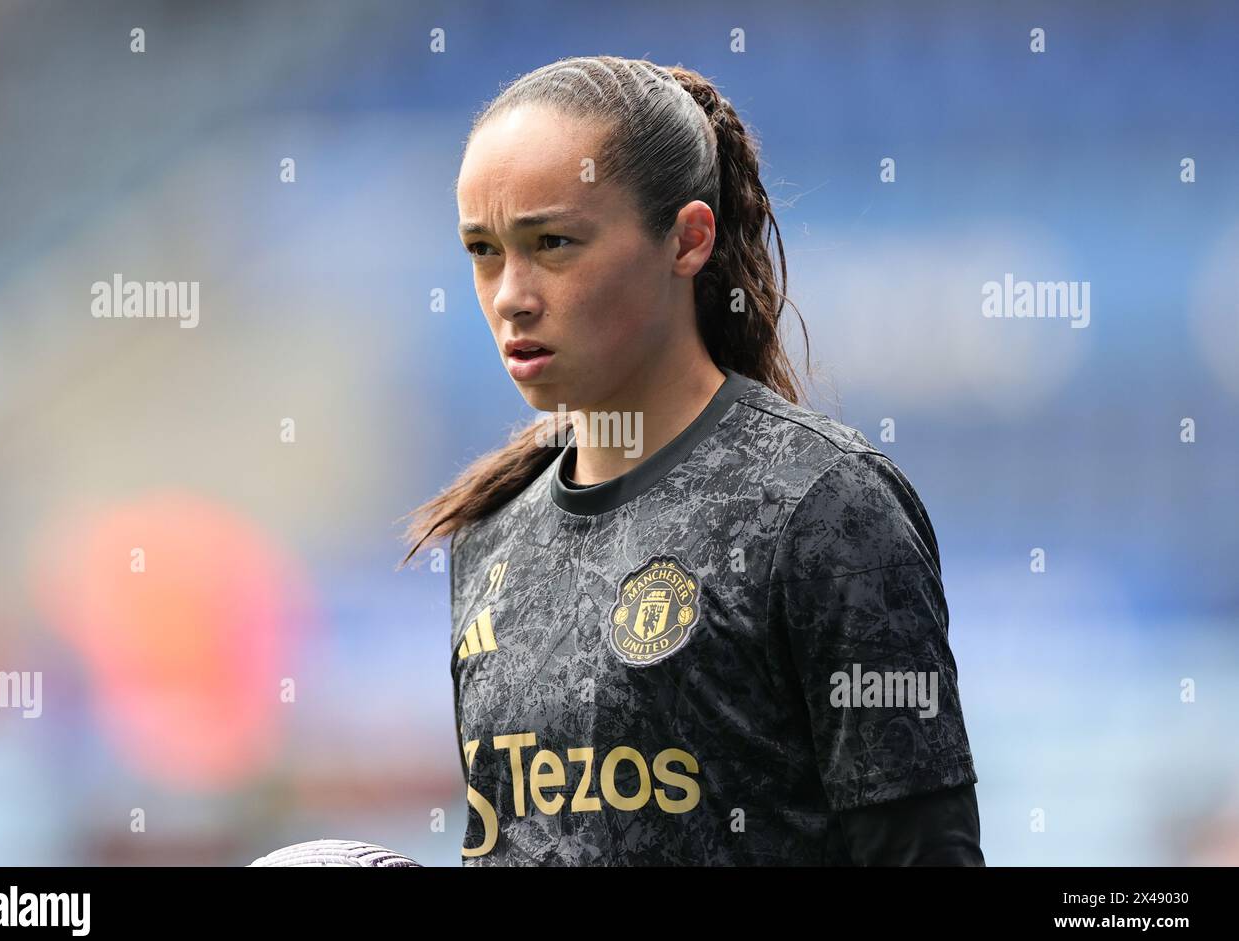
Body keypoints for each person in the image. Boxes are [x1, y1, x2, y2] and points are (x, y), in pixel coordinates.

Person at [402, 55, 983, 865]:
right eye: (483, 250)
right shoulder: (490, 536)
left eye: (553, 242)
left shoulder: (822, 509)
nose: (511, 294)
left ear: (687, 240)